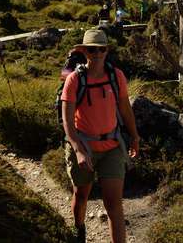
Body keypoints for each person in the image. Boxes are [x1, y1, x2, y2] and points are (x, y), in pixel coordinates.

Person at [61, 29, 139, 243]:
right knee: (81, 196)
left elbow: (125, 109)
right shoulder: (75, 80)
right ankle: (79, 229)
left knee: (114, 204)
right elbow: (67, 120)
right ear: (85, 51)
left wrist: (134, 136)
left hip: (112, 147)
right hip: (84, 147)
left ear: (107, 51)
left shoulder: (117, 77)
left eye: (101, 49)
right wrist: (78, 151)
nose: (97, 54)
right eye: (92, 50)